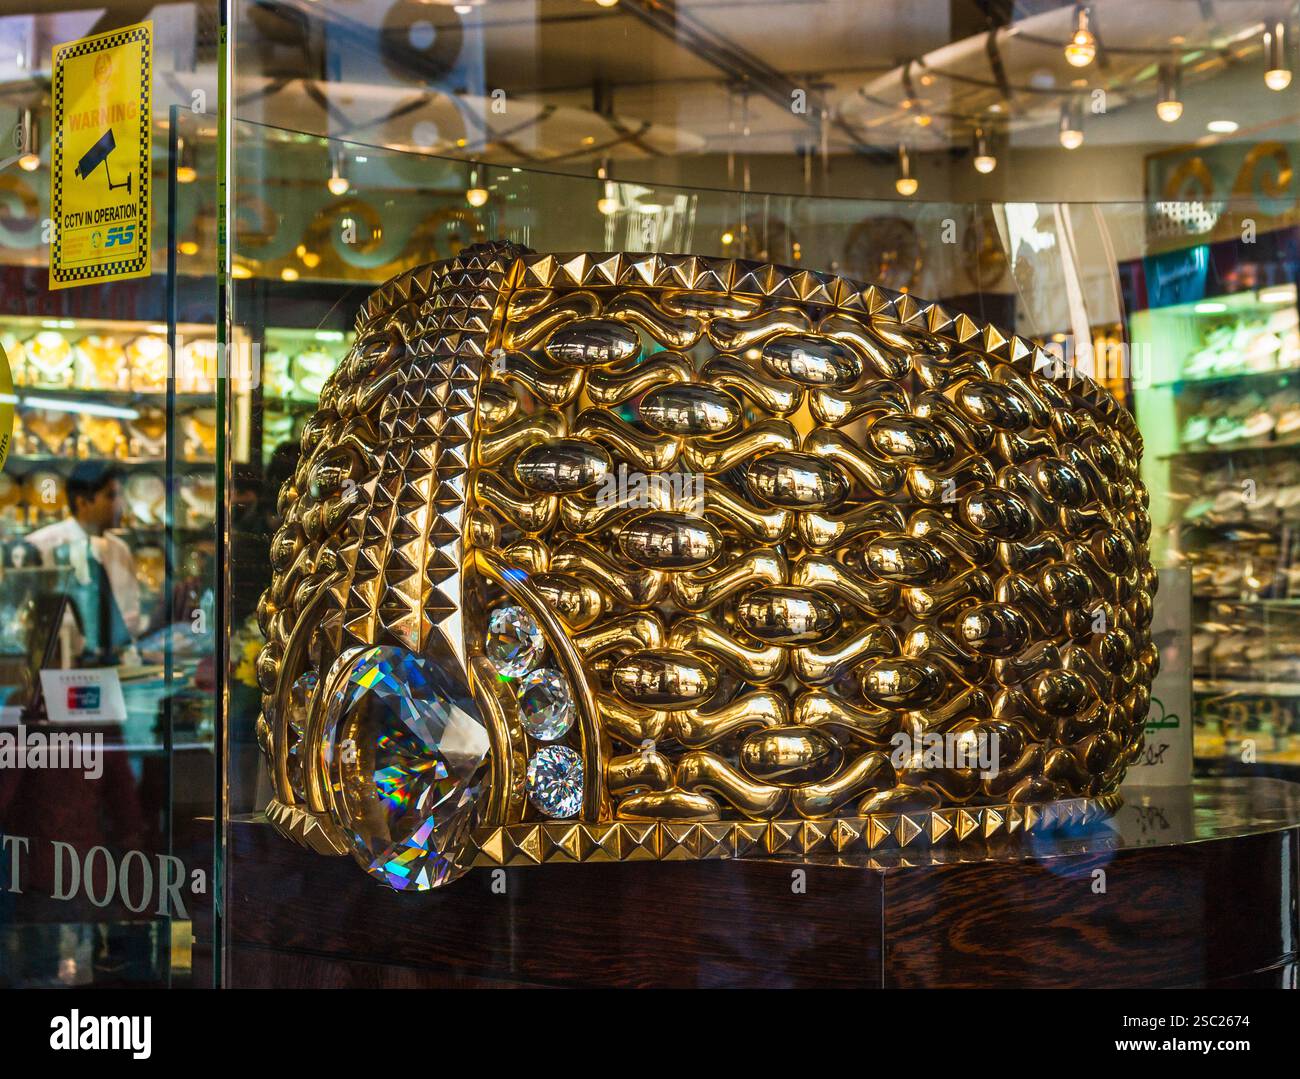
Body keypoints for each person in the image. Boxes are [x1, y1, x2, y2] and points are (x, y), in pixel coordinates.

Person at [26, 461, 140, 664]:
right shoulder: (43, 546)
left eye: (121, 495)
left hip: (119, 667)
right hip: (60, 666)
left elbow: (132, 612)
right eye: (111, 496)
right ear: (82, 502)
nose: (120, 505)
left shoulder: (120, 551)